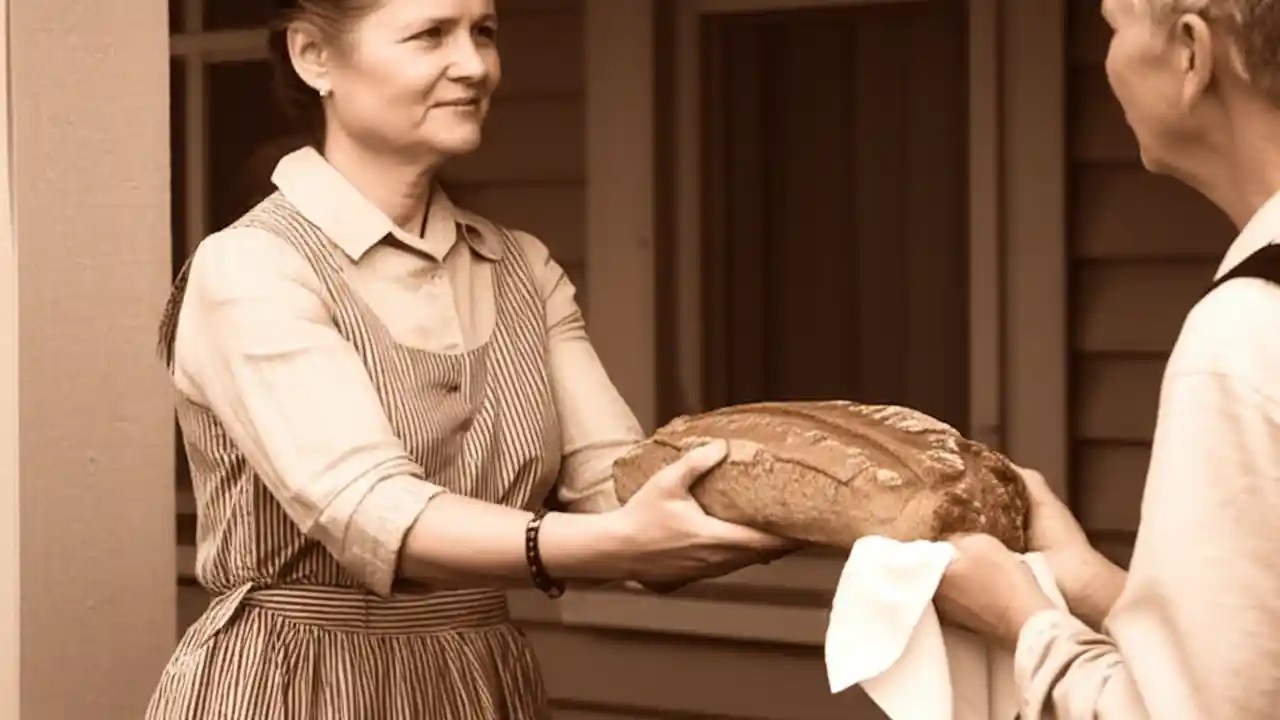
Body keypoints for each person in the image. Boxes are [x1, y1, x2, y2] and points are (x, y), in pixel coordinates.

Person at [144, 1, 794, 718]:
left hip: (479, 679)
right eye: (430, 34)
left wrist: (807, 512)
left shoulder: (520, 266)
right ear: (313, 56)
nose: (475, 65)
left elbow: (619, 488)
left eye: (484, 32)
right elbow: (377, 513)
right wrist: (621, 545)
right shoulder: (251, 266)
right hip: (296, 683)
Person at [934, 0, 1280, 717]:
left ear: (1192, 54)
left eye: (1112, 26)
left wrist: (1020, 620)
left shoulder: (1245, 335)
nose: (1108, 64)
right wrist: (1094, 585)